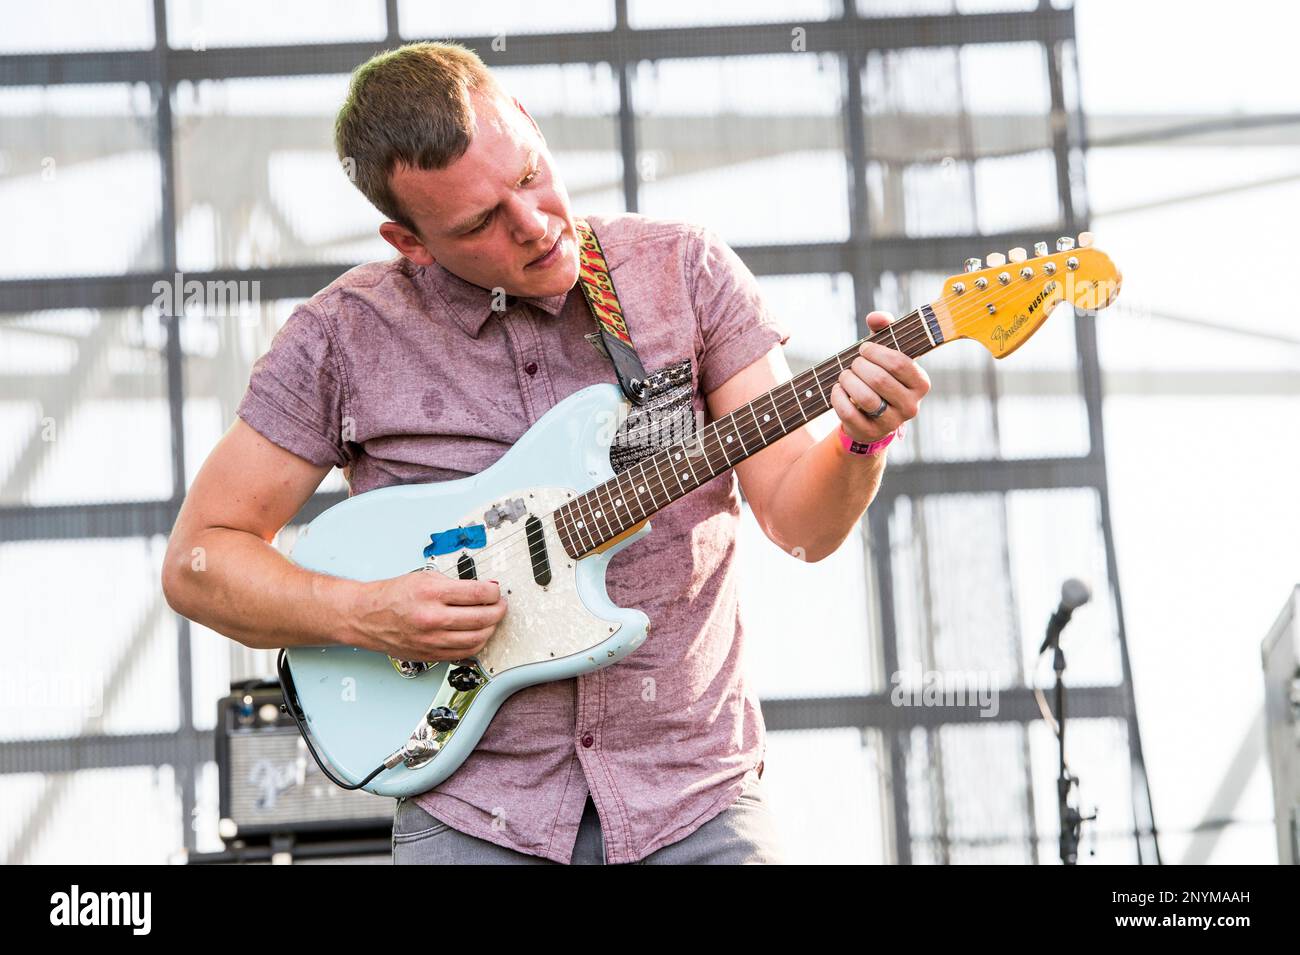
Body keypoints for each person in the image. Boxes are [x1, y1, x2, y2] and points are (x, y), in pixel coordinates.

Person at [161, 41, 930, 865]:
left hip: (695, 796)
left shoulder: (682, 270)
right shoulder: (341, 337)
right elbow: (199, 559)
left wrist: (860, 439)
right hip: (475, 818)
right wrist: (362, 611)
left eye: (528, 176)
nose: (534, 227)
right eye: (480, 223)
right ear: (409, 240)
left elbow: (800, 522)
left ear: (527, 124)